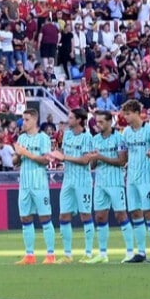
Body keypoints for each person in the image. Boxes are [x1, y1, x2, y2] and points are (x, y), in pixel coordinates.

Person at [11, 110, 54, 264]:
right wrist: (17, 155)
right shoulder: (21, 138)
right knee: (25, 218)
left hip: (39, 184)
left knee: (45, 218)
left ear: (34, 120)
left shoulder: (43, 138)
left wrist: (25, 153)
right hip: (24, 183)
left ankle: (50, 254)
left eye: (27, 119)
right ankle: (30, 255)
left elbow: (45, 160)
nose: (24, 122)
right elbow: (15, 162)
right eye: (23, 119)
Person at [54, 109, 96, 262]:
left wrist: (64, 157)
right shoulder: (67, 135)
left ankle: (88, 252)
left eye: (71, 117)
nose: (68, 119)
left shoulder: (87, 138)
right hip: (68, 180)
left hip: (82, 181)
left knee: (85, 215)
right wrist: (57, 156)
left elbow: (86, 161)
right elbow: (65, 155)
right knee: (63, 215)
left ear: (79, 120)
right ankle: (67, 254)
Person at [85, 109, 126, 263]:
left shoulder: (119, 139)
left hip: (116, 181)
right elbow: (93, 164)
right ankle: (103, 254)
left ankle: (129, 251)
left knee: (121, 215)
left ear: (110, 122)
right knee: (100, 216)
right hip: (100, 182)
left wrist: (101, 156)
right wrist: (93, 158)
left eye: (102, 122)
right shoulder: (95, 140)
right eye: (97, 122)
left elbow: (122, 161)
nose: (98, 124)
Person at [119, 100, 150, 262]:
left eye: (128, 114)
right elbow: (125, 153)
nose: (126, 117)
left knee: (149, 212)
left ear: (137, 113)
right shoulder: (126, 132)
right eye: (125, 114)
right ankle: (141, 252)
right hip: (132, 178)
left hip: (147, 178)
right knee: (135, 212)